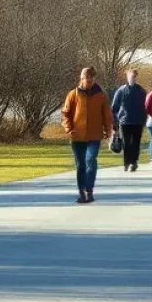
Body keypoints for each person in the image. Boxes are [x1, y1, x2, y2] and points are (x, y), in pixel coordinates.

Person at [61, 67, 113, 203]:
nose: (89, 79)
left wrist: (108, 130)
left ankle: (89, 190)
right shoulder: (73, 94)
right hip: (77, 136)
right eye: (86, 76)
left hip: (94, 136)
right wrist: (69, 129)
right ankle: (81, 192)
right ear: (81, 78)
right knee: (80, 165)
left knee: (90, 161)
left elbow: (107, 115)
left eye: (91, 77)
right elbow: (65, 113)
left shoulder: (100, 95)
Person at [111, 69, 147, 172]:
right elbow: (114, 108)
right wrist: (115, 124)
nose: (132, 78)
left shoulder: (141, 91)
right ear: (127, 77)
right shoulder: (121, 91)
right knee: (126, 143)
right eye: (131, 76)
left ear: (136, 77)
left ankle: (134, 162)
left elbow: (145, 107)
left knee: (136, 143)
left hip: (137, 121)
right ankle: (127, 162)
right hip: (124, 122)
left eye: (134, 77)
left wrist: (144, 119)